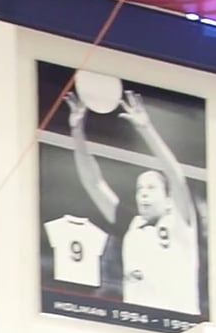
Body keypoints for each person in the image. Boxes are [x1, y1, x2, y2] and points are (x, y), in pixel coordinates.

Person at [63, 86, 199, 318]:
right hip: (139, 325)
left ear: (168, 201)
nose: (143, 193)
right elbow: (93, 183)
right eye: (140, 189)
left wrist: (145, 128)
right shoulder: (131, 225)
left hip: (182, 327)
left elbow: (175, 175)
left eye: (151, 188)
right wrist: (77, 131)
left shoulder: (180, 222)